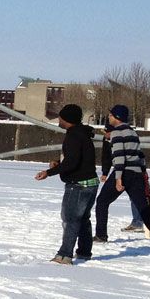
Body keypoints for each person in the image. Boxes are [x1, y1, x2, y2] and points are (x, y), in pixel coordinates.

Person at [94, 105, 150, 250]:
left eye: (110, 115)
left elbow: (119, 157)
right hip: (136, 174)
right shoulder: (132, 132)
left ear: (117, 117)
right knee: (144, 208)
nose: (108, 117)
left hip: (124, 172)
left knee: (102, 201)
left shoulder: (117, 133)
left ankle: (101, 235)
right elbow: (140, 155)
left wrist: (118, 178)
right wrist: (143, 174)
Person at [34, 104, 99, 264]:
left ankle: (64, 255)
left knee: (70, 219)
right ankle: (84, 252)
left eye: (61, 117)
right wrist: (58, 163)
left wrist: (48, 173)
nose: (59, 119)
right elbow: (76, 158)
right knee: (83, 219)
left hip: (78, 185)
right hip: (91, 183)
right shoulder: (82, 134)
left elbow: (71, 162)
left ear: (67, 119)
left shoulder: (74, 136)